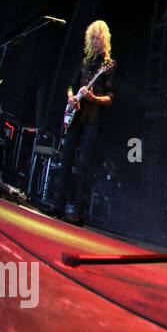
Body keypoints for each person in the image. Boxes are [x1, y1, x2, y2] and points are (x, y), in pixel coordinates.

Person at [54, 20, 115, 224]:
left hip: (92, 118)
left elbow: (110, 98)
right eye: (93, 38)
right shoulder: (84, 61)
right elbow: (70, 85)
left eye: (98, 38)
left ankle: (77, 209)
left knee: (83, 162)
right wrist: (72, 97)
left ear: (104, 40)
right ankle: (58, 204)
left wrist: (93, 98)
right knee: (66, 157)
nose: (95, 41)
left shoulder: (109, 65)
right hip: (75, 115)